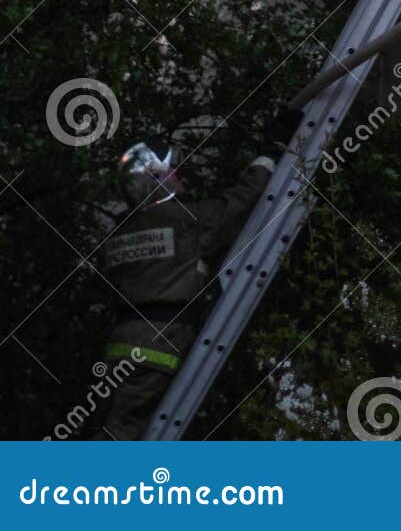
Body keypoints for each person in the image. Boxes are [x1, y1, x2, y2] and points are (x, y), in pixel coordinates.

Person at [86, 109, 300, 440]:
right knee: (121, 439)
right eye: (172, 170)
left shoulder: (118, 233)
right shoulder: (183, 222)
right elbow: (239, 204)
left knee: (106, 427)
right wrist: (269, 152)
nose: (180, 176)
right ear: (154, 180)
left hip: (119, 348)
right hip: (159, 345)